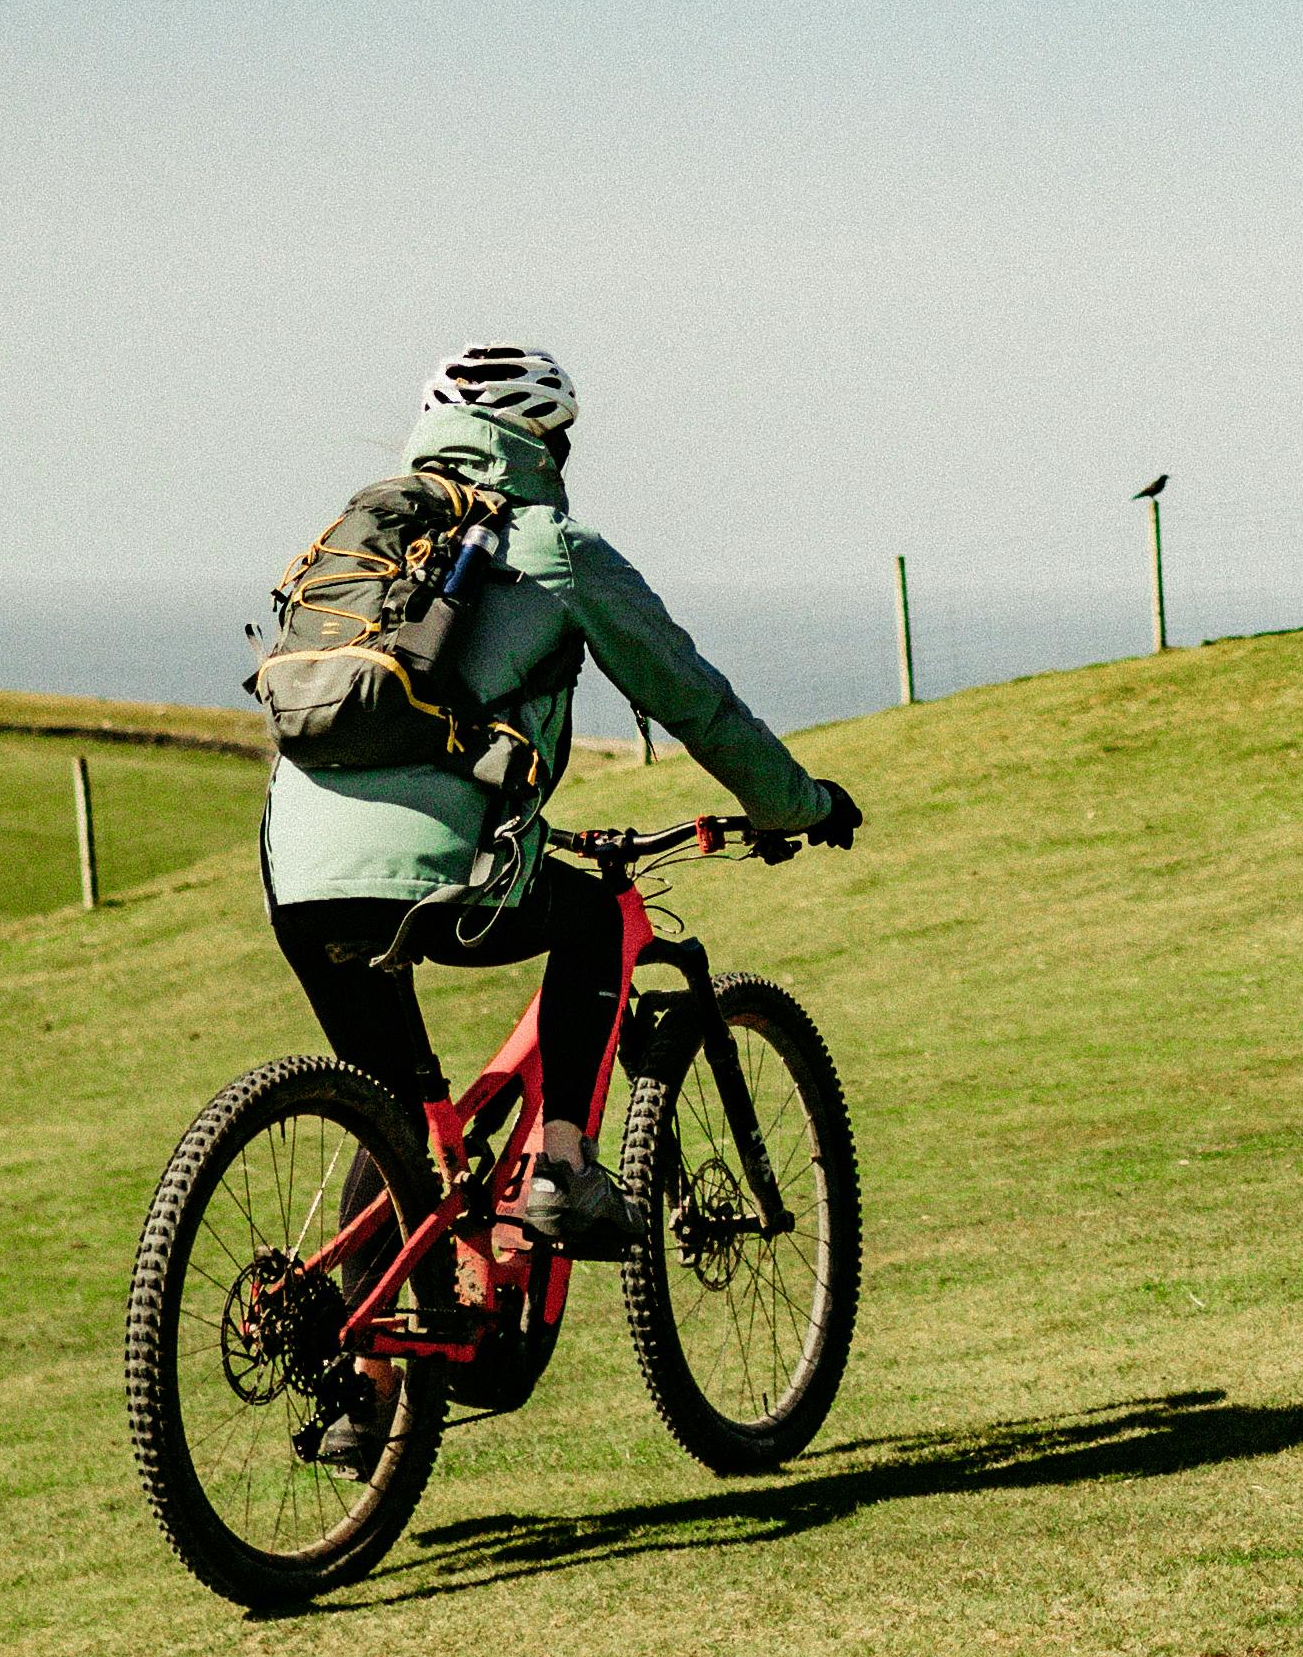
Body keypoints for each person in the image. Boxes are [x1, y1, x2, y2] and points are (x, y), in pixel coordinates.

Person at [257, 344, 858, 1271]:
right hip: (444, 879)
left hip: (297, 876)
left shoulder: (360, 536)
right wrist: (796, 805)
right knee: (588, 920)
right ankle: (563, 1167)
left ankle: (366, 1394)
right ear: (545, 442)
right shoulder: (551, 548)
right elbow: (695, 699)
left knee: (397, 1119)